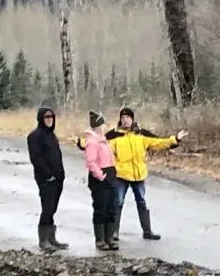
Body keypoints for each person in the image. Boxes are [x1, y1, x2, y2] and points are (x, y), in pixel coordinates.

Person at [106, 106, 183, 242]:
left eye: (128, 117)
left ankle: (147, 231)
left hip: (139, 174)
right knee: (117, 202)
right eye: (123, 118)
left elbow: (159, 142)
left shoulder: (141, 134)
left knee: (141, 202)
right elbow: (97, 145)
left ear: (132, 119)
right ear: (120, 119)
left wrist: (175, 139)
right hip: (121, 174)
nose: (125, 120)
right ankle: (113, 232)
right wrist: (81, 142)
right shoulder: (113, 135)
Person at [26, 107, 66, 252]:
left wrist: (61, 175)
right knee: (47, 208)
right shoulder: (35, 136)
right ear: (41, 119)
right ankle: (43, 240)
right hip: (45, 179)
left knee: (52, 209)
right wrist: (48, 175)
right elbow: (36, 158)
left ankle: (51, 238)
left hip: (58, 179)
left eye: (51, 117)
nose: (49, 120)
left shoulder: (52, 135)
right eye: (46, 117)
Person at [78, 112, 118, 250]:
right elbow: (91, 162)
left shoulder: (103, 140)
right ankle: (100, 240)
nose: (105, 127)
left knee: (111, 207)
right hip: (100, 178)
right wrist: (101, 176)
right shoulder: (92, 142)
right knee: (101, 208)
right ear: (98, 126)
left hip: (110, 174)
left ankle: (109, 238)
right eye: (103, 125)